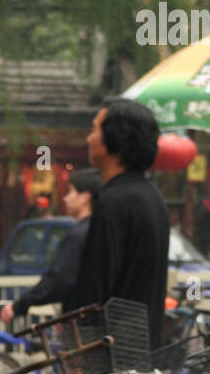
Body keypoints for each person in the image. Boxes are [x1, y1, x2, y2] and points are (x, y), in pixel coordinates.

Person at [71, 98, 170, 349]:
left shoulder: (113, 202)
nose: (89, 138)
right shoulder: (153, 197)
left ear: (115, 139)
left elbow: (96, 285)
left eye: (95, 129)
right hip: (143, 346)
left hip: (111, 351)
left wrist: (81, 354)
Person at [0, 168, 102, 325]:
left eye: (70, 192)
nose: (65, 198)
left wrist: (20, 305)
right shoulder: (102, 230)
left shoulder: (79, 234)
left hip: (82, 322)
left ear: (85, 197)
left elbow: (59, 279)